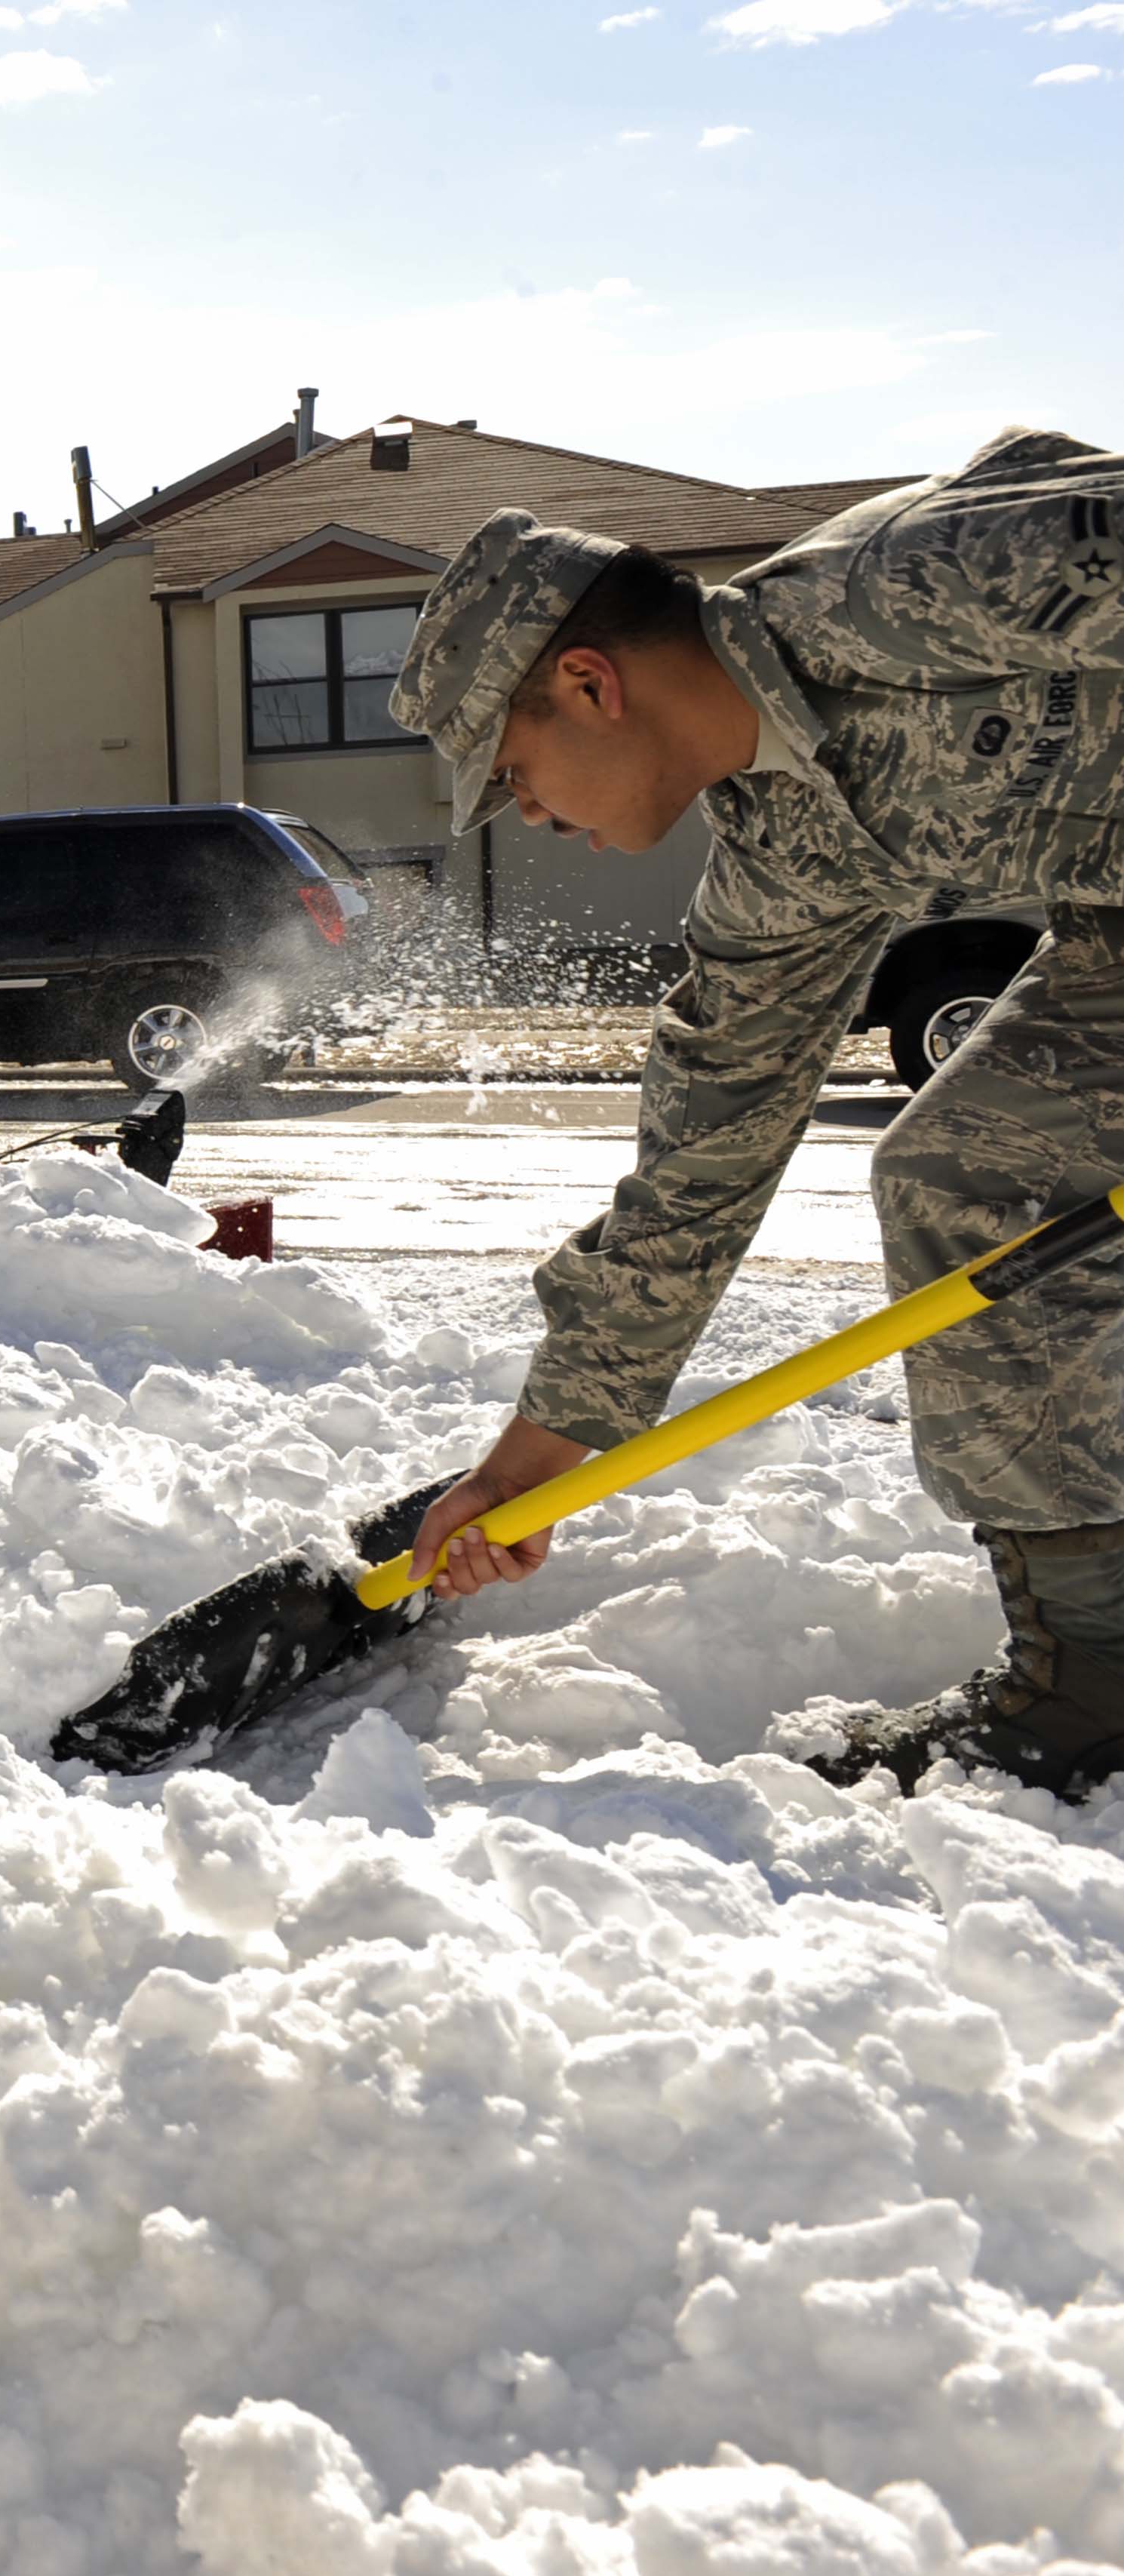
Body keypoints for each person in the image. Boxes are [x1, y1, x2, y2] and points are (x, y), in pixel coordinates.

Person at [394, 430, 1124, 1791]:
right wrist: (529, 1458)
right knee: (963, 1168)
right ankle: (1096, 1682)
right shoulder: (788, 852)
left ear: (589, 682)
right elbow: (699, 1164)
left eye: (511, 776)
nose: (529, 820)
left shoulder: (907, 590)